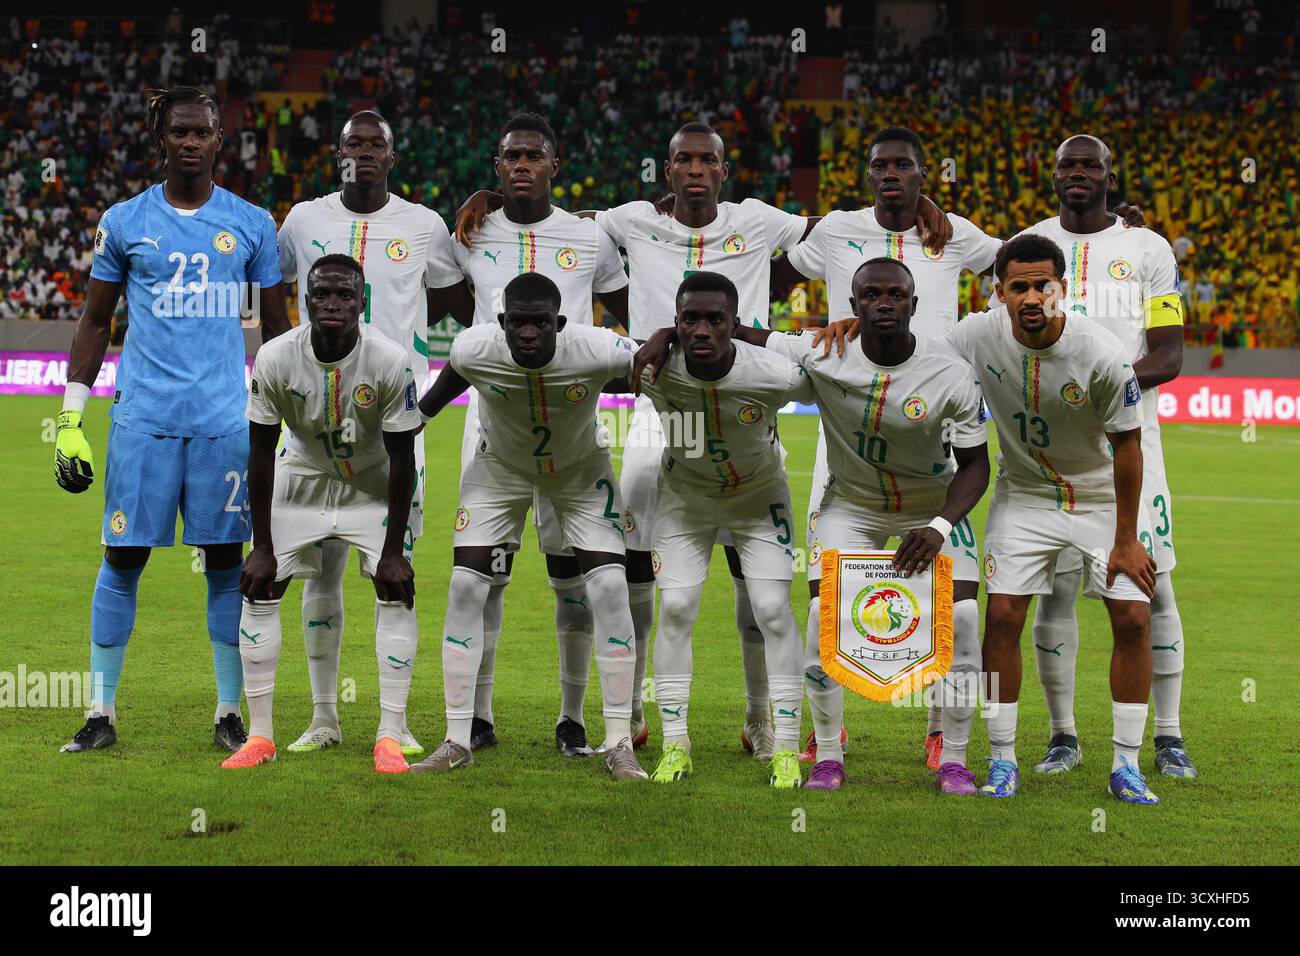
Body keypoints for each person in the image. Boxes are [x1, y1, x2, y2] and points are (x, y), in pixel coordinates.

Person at [637, 257, 990, 793]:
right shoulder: (822, 353)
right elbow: (742, 332)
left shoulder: (950, 374)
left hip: (929, 505)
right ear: (854, 306)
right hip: (851, 503)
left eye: (896, 295)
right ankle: (827, 756)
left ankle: (955, 760)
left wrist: (940, 525)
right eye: (871, 295)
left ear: (914, 305)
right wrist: (670, 331)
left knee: (962, 619)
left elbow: (976, 467)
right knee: (827, 614)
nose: (884, 304)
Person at [56, 86, 290, 755]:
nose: (191, 142)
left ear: (221, 138)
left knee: (225, 562)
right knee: (122, 557)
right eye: (180, 132)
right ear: (161, 136)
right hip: (144, 419)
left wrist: (288, 421)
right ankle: (100, 714)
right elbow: (96, 320)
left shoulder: (250, 223)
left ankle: (227, 713)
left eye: (203, 132)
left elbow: (276, 331)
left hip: (224, 422)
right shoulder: (125, 221)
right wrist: (72, 416)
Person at [275, 109, 467, 757]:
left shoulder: (424, 226)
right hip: (311, 428)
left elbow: (447, 295)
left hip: (392, 429)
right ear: (337, 154)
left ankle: (394, 723)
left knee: (393, 572)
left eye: (375, 144)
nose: (363, 152)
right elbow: (274, 285)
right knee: (318, 576)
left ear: (392, 155)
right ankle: (324, 720)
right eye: (352, 143)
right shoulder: (303, 220)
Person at [946, 234, 1160, 804]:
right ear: (1000, 294)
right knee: (1003, 618)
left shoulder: (1102, 353)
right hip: (1025, 496)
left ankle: (1126, 764)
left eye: (1045, 285)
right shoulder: (974, 335)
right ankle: (1001, 760)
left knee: (1134, 620)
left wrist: (1126, 540)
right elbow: (913, 354)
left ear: (1063, 289)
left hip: (1098, 498)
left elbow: (1130, 447)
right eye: (1020, 287)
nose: (1034, 296)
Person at [444, 113, 631, 758]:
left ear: (555, 164)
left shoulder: (590, 235)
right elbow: (444, 304)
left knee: (573, 579)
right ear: (497, 168)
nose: (522, 166)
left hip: (572, 421)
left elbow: (627, 313)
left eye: (535, 156)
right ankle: (477, 717)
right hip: (493, 423)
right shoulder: (468, 230)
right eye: (510, 157)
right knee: (484, 577)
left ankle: (573, 718)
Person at [412, 272, 646, 781]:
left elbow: (651, 362)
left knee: (607, 585)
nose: (529, 333)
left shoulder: (599, 349)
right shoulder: (475, 347)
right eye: (518, 323)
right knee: (465, 584)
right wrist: (410, 420)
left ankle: (618, 741)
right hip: (499, 471)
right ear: (502, 323)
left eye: (541, 323)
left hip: (580, 474)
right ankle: (456, 739)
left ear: (559, 323)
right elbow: (445, 382)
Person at [1016, 135, 1195, 779]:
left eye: (1090, 164)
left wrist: (1102, 391)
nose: (1078, 174)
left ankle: (1168, 736)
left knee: (1155, 587)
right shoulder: (1030, 246)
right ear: (1054, 176)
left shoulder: (1149, 249)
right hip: (1052, 452)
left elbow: (1170, 356)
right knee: (1057, 589)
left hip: (1131, 444)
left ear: (1109, 175)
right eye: (1068, 165)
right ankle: (1063, 735)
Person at [223, 254, 420, 773]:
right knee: (260, 587)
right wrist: (261, 545)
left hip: (375, 482)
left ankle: (390, 732)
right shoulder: (273, 357)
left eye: (344, 295)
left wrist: (395, 550)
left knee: (395, 588)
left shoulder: (391, 359)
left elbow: (404, 457)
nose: (332, 303)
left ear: (363, 302)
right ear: (304, 300)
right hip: (302, 478)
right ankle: (269, 734)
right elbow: (260, 451)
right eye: (321, 294)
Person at [637, 272, 814, 788]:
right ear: (674, 323)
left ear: (736, 325)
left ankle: (782, 745)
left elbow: (830, 373)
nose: (702, 330)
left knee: (773, 612)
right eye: (689, 319)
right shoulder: (653, 368)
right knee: (674, 608)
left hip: (758, 499)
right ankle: (675, 744)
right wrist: (658, 339)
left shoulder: (775, 376)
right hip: (685, 499)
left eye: (716, 320)